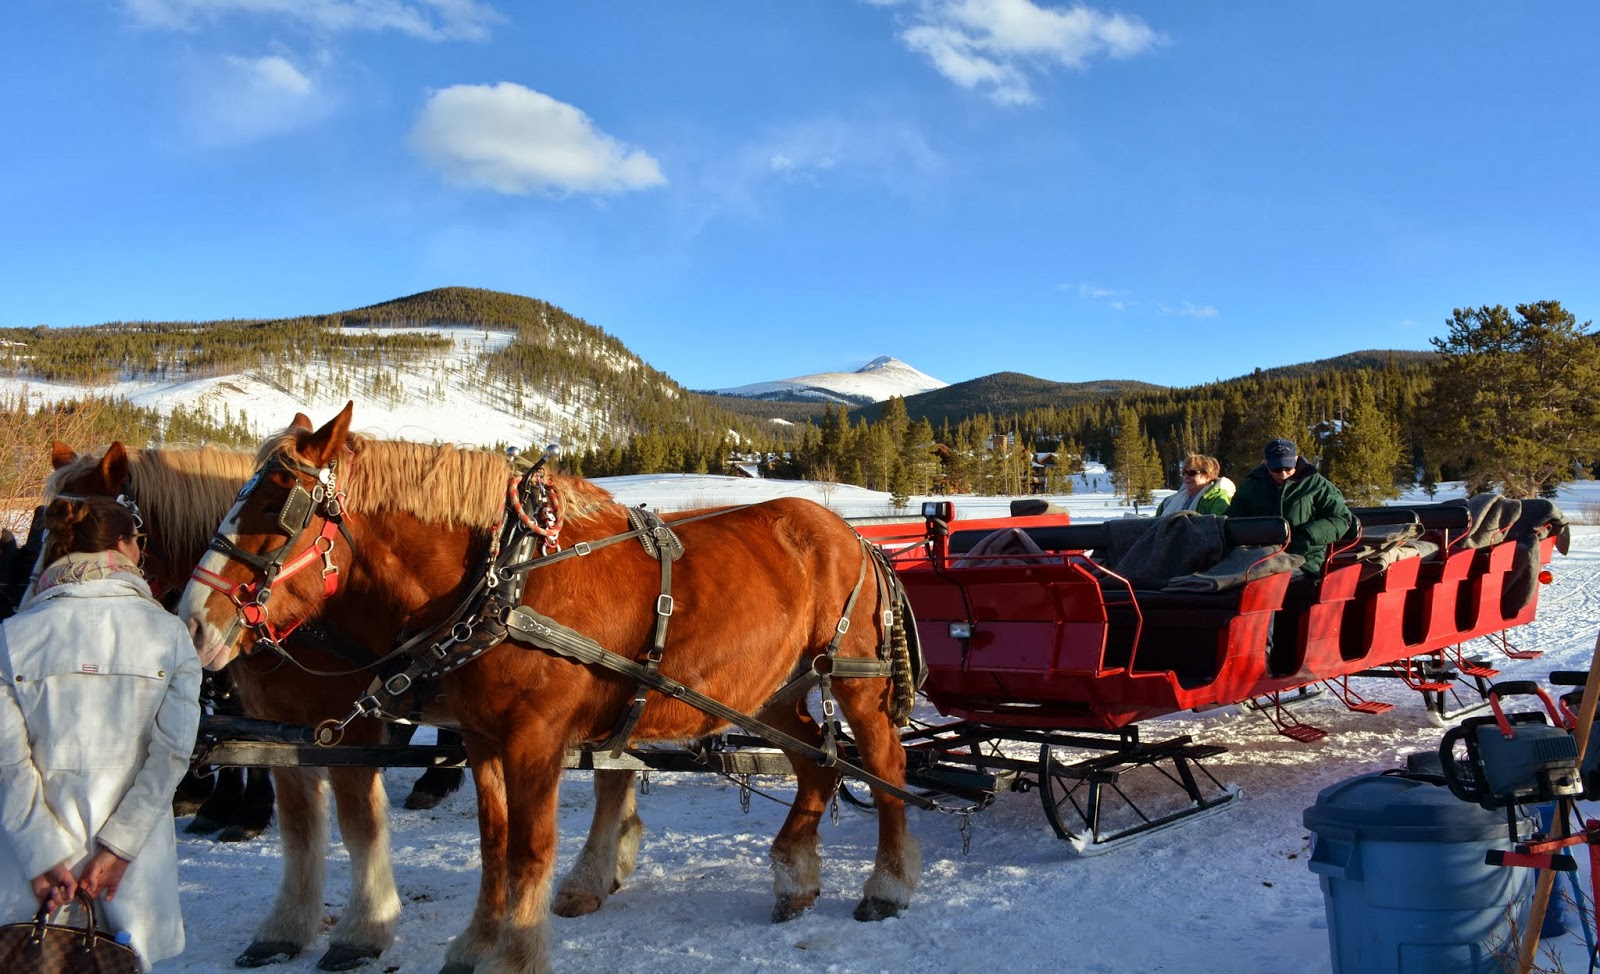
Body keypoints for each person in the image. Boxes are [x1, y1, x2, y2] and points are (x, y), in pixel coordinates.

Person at [0, 496, 200, 971]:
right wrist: (120, 848)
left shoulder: (11, 636)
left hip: (32, 873)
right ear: (124, 546)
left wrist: (41, 855)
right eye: (139, 541)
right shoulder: (169, 635)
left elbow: (7, 761)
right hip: (129, 872)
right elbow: (172, 754)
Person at [1225, 438, 1354, 575]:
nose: (1283, 474)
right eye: (1276, 469)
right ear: (1266, 464)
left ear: (1296, 460)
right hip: (1258, 561)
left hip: (1305, 561)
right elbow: (1233, 519)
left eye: (1288, 468)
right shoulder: (1251, 485)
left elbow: (1342, 518)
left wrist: (1308, 535)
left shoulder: (1316, 484)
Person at [1153, 454, 1235, 518]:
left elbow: (1216, 527)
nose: (1186, 476)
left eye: (1191, 473)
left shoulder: (1218, 499)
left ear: (1208, 476)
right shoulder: (1168, 502)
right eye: (1184, 473)